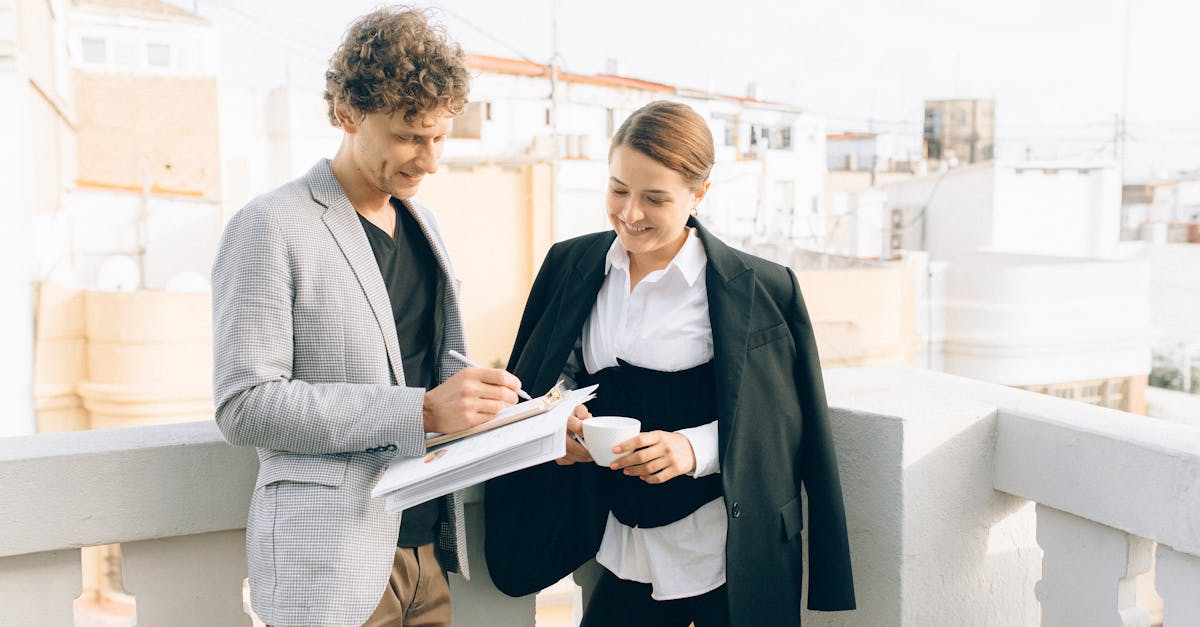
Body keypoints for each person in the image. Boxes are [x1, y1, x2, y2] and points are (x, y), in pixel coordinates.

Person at [484, 100, 855, 625]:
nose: (630, 214)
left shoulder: (757, 288)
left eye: (655, 198)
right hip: (611, 539)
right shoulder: (571, 262)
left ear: (700, 193)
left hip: (721, 551)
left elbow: (781, 421)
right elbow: (548, 370)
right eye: (618, 190)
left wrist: (692, 447)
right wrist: (559, 415)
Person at [211, 7, 523, 627]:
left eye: (439, 137)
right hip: (327, 564)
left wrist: (513, 414)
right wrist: (423, 411)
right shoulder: (269, 225)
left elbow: (428, 369)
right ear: (345, 112)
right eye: (410, 135)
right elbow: (244, 404)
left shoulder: (423, 223)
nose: (429, 161)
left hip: (427, 549)